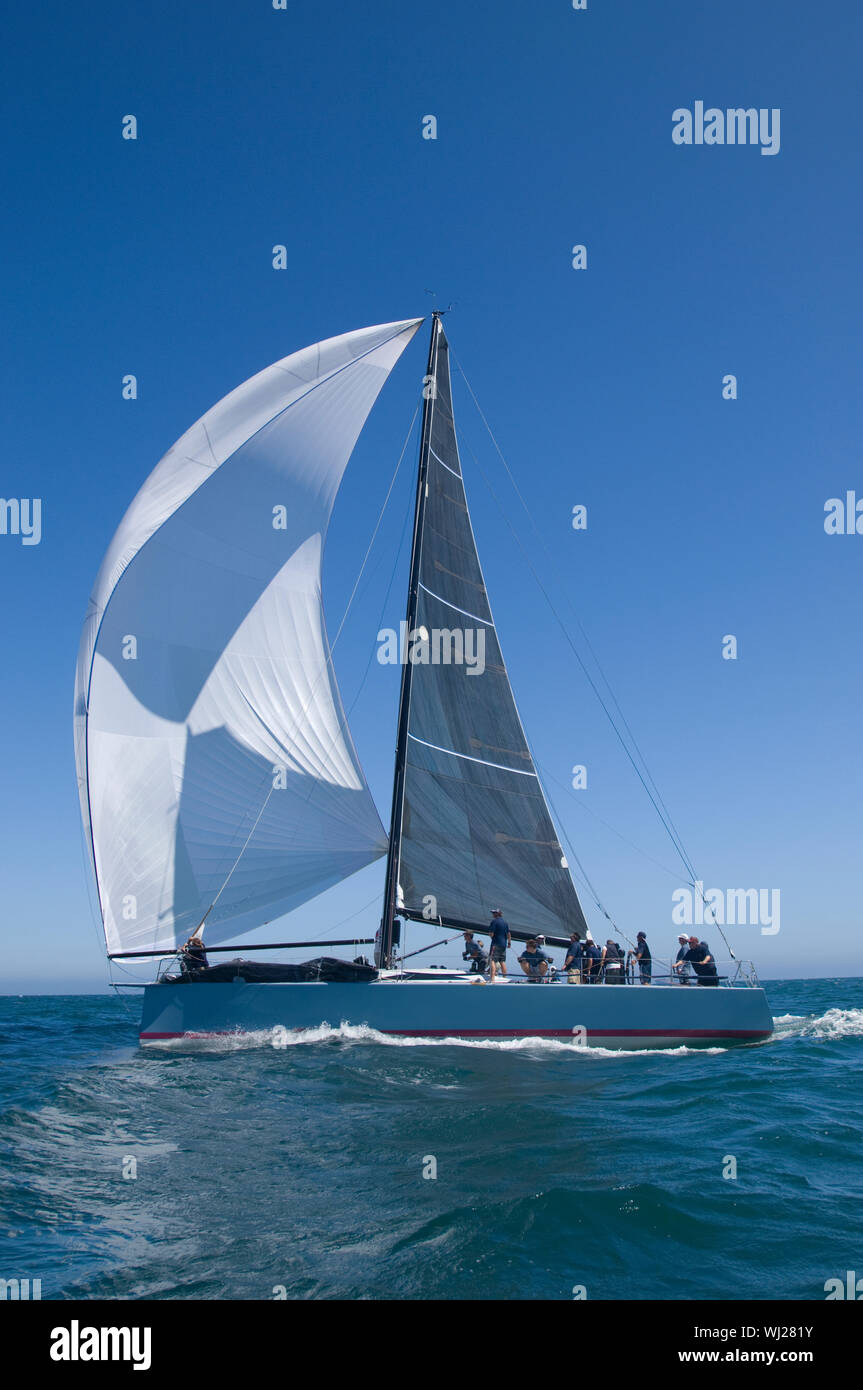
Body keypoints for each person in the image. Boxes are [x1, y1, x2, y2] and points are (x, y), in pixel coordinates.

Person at [487, 909, 511, 982]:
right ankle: (504, 978)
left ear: (497, 914)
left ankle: (492, 979)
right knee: (502, 961)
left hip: (495, 944)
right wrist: (509, 943)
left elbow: (491, 933)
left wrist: (492, 938)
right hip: (503, 944)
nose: (493, 914)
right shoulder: (505, 922)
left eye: (494, 913)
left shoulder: (494, 921)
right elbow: (508, 934)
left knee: (492, 960)